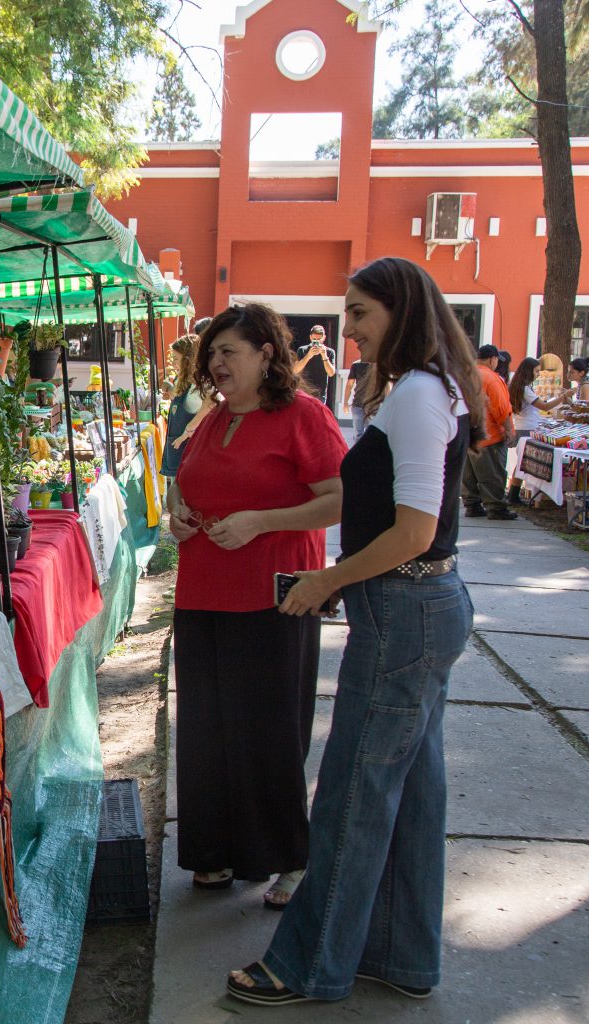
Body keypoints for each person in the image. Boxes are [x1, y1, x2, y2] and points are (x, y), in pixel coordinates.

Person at [227, 256, 480, 1007]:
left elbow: (414, 532)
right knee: (410, 795)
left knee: (353, 794)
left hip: (406, 609)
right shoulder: (424, 392)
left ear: (402, 313)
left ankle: (309, 963)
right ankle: (400, 954)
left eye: (361, 313)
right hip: (419, 611)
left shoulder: (420, 398)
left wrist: (326, 579)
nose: (349, 328)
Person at [169, 303, 347, 909]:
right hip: (202, 592)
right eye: (211, 353)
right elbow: (183, 483)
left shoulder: (305, 416)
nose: (216, 363)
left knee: (270, 730)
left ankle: (289, 858)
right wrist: (178, 516)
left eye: (230, 352)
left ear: (266, 354)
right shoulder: (212, 420)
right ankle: (217, 850)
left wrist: (260, 523)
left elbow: (340, 500)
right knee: (206, 728)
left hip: (277, 597)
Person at [505, 357, 573, 505]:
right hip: (527, 428)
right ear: (528, 371)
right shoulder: (524, 389)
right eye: (536, 371)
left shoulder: (522, 387)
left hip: (525, 426)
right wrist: (563, 397)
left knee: (522, 462)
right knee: (523, 462)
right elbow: (545, 407)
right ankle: (513, 495)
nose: (538, 375)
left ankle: (513, 494)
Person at [462, 345, 516, 520]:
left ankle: (472, 505)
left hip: (466, 433)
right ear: (493, 359)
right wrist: (508, 429)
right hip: (489, 434)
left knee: (469, 474)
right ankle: (496, 507)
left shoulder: (464, 374)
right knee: (492, 473)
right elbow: (500, 407)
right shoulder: (491, 378)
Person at [161, 334, 206, 480]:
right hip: (180, 460)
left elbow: (213, 402)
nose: (173, 364)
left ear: (188, 360)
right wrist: (169, 388)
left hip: (188, 463)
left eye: (176, 359)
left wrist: (188, 430)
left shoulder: (200, 385)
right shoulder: (188, 383)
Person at [293, 324, 337, 409]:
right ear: (310, 338)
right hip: (304, 390)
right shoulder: (302, 350)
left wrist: (324, 356)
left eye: (319, 340)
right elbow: (295, 370)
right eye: (314, 340)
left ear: (324, 338)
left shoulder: (330, 352)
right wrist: (308, 355)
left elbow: (331, 373)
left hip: (320, 392)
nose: (316, 342)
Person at [343, 356, 372, 438]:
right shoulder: (356, 365)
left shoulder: (380, 364)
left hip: (373, 405)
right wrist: (345, 403)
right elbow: (349, 385)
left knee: (366, 435)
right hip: (359, 404)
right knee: (360, 435)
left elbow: (386, 385)